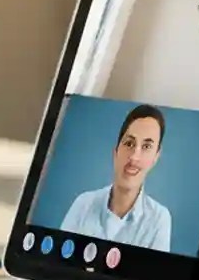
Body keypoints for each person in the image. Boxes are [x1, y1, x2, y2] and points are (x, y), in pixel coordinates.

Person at [60, 104, 172, 252]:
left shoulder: (159, 219)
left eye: (146, 147)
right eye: (129, 143)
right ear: (116, 151)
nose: (134, 157)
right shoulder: (83, 204)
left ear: (156, 157)